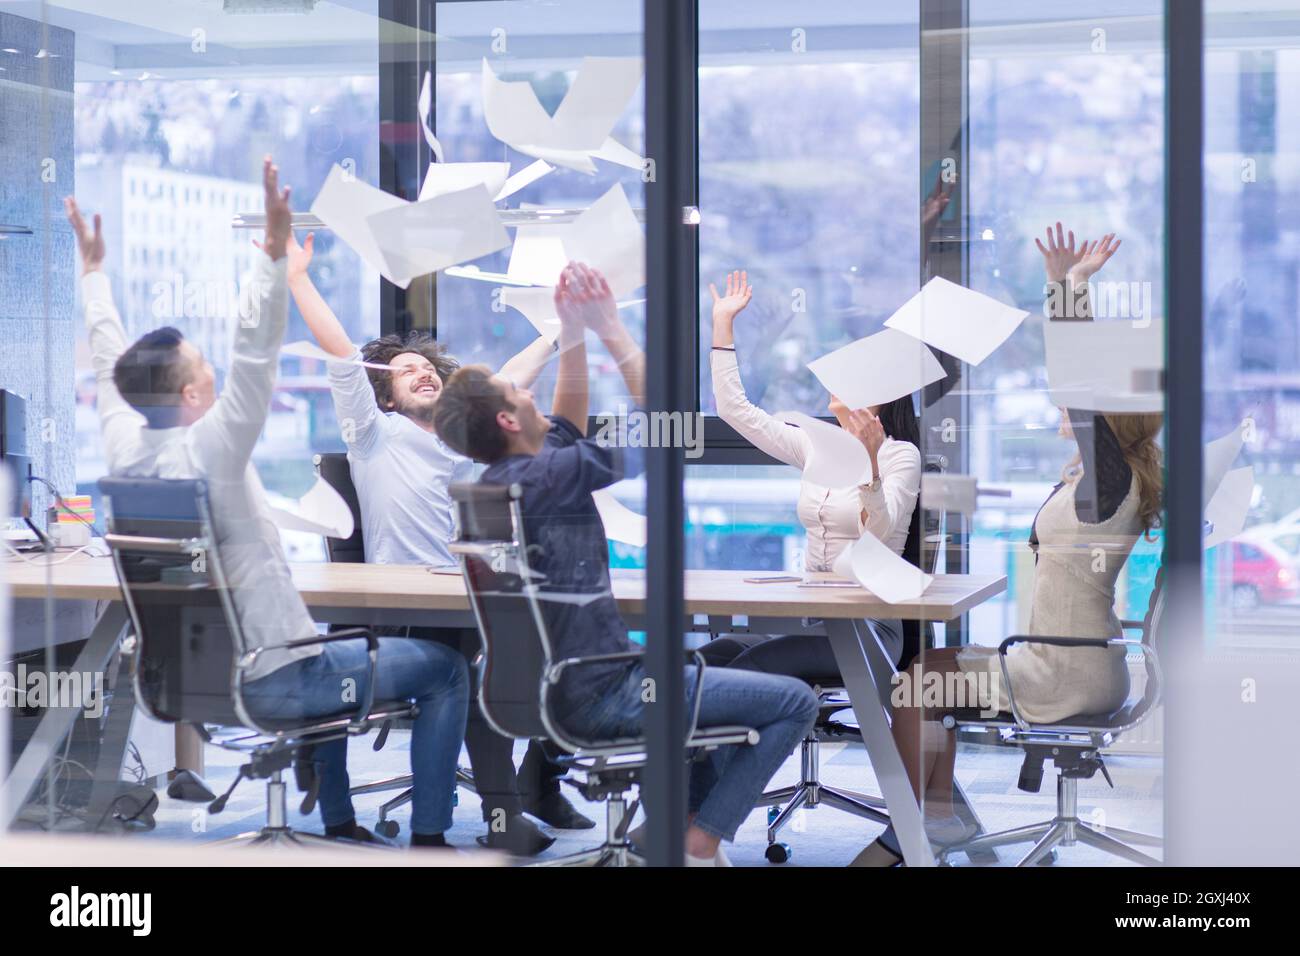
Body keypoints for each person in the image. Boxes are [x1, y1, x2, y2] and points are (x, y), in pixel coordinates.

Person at [68, 158, 469, 849]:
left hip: (189, 686)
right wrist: (273, 257)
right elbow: (255, 354)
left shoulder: (125, 446)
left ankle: (338, 822)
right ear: (193, 394)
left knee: (337, 645)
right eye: (203, 366)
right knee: (448, 671)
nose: (214, 369)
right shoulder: (216, 450)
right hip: (277, 677)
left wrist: (94, 273)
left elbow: (110, 364)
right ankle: (430, 839)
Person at [432, 261, 820, 866]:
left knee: (709, 666)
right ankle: (701, 840)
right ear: (508, 419)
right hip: (607, 692)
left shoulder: (508, 479)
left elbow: (565, 424)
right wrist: (610, 327)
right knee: (795, 702)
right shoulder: (553, 477)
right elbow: (664, 425)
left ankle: (673, 827)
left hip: (546, 694)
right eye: (519, 393)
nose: (530, 392)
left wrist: (573, 331)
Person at [854, 224, 1164, 866]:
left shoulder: (1110, 484)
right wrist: (1059, 284)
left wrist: (1072, 287)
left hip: (1065, 674)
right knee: (931, 669)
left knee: (917, 684)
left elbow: (1074, 383)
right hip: (1075, 660)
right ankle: (937, 818)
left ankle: (904, 834)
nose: (1061, 406)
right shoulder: (1106, 482)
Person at [280, 232, 591, 854]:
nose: (422, 373)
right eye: (405, 372)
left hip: (471, 600)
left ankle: (535, 784)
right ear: (385, 397)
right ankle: (494, 815)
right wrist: (297, 278)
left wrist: (560, 332)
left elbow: (511, 377)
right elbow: (343, 356)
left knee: (565, 649)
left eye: (427, 369)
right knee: (478, 677)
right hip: (403, 613)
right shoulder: (375, 435)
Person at [699, 270, 923, 677]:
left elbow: (879, 536)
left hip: (867, 627)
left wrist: (870, 462)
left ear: (880, 396)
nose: (835, 380)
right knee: (706, 660)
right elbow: (735, 411)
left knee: (747, 668)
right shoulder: (817, 444)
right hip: (811, 617)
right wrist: (722, 323)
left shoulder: (900, 456)